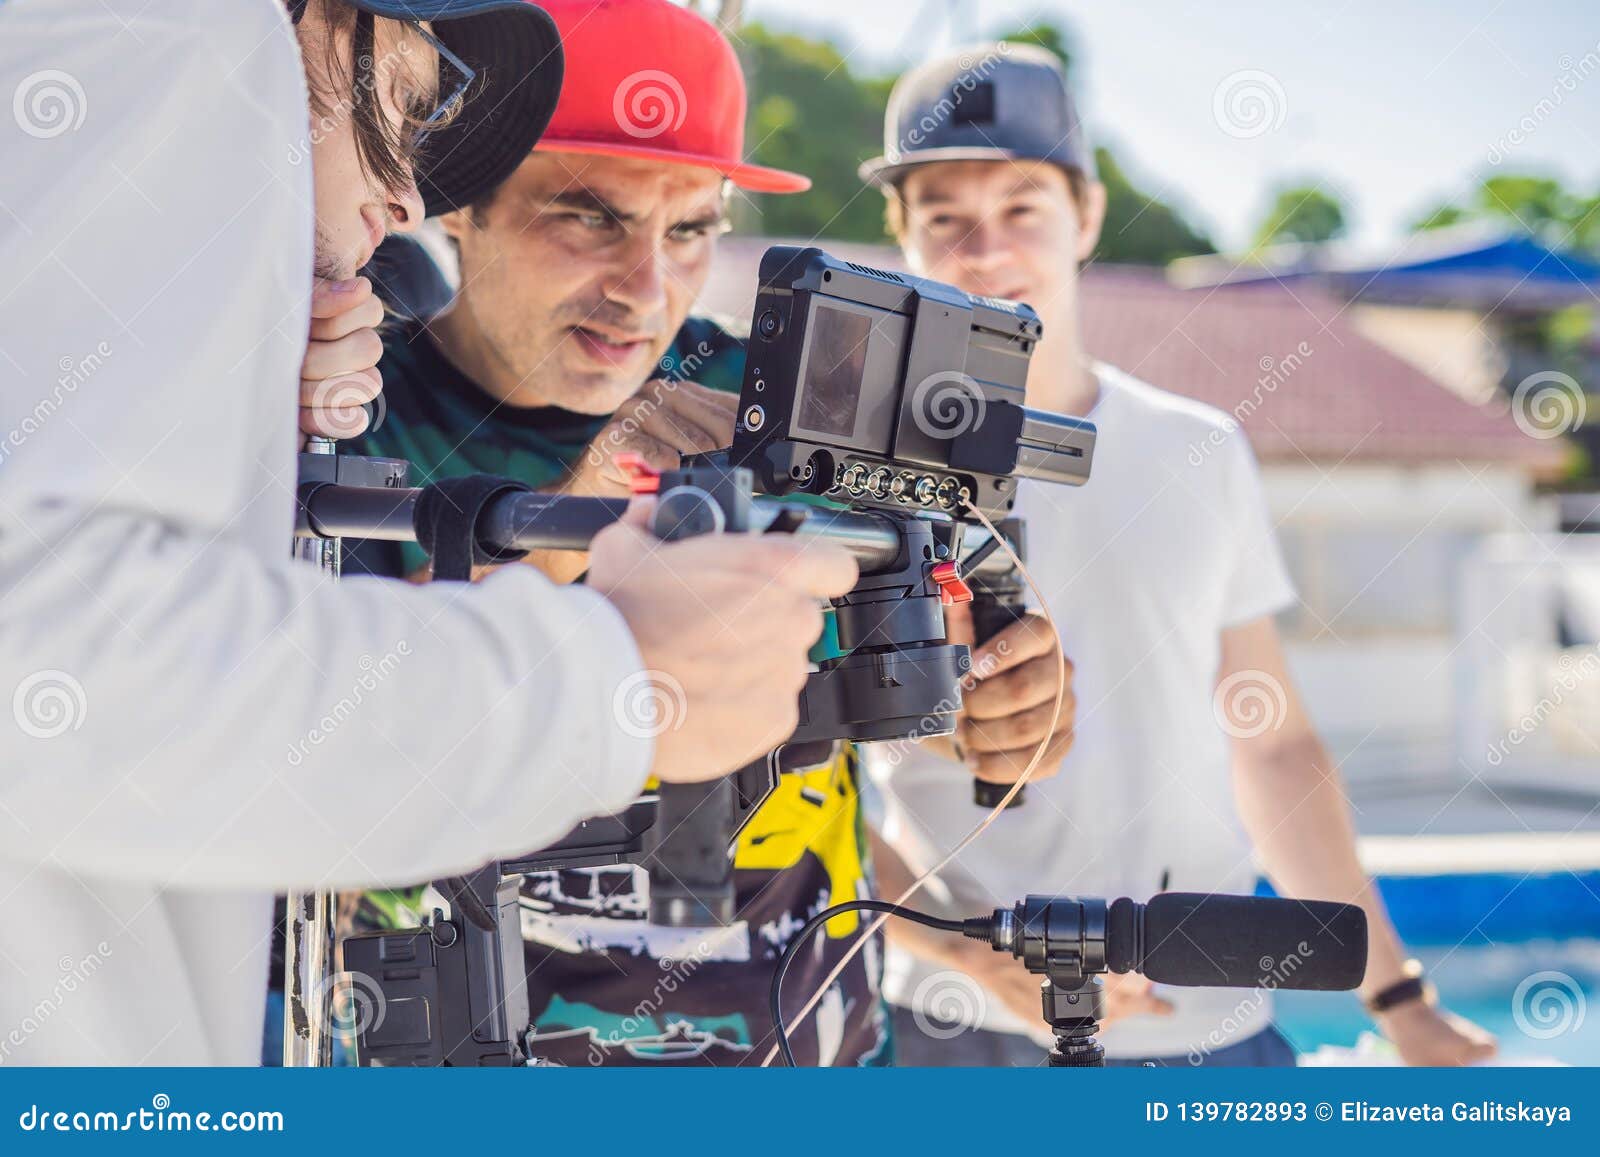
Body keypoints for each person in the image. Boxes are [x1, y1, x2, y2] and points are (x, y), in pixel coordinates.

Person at [0, 0, 853, 1066]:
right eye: (407, 103)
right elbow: (47, 661)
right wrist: (607, 675)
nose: (404, 193)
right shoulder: (192, 32)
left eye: (691, 227)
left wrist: (246, 402)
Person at [345, 0, 1076, 1066]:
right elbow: (330, 738)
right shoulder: (346, 406)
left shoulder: (793, 394)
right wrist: (589, 503)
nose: (646, 287)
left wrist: (1013, 706)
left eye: (689, 228)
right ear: (459, 204)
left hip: (808, 1050)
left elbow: (971, 691)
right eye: (589, 216)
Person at [860, 45, 1499, 1067]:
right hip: (955, 1032)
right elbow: (801, 781)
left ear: (1087, 217)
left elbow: (1272, 742)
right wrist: (977, 962)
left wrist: (1399, 994)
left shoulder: (1194, 448)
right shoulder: (857, 465)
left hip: (1215, 1024)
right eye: (944, 216)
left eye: (1021, 206)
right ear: (902, 234)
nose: (985, 249)